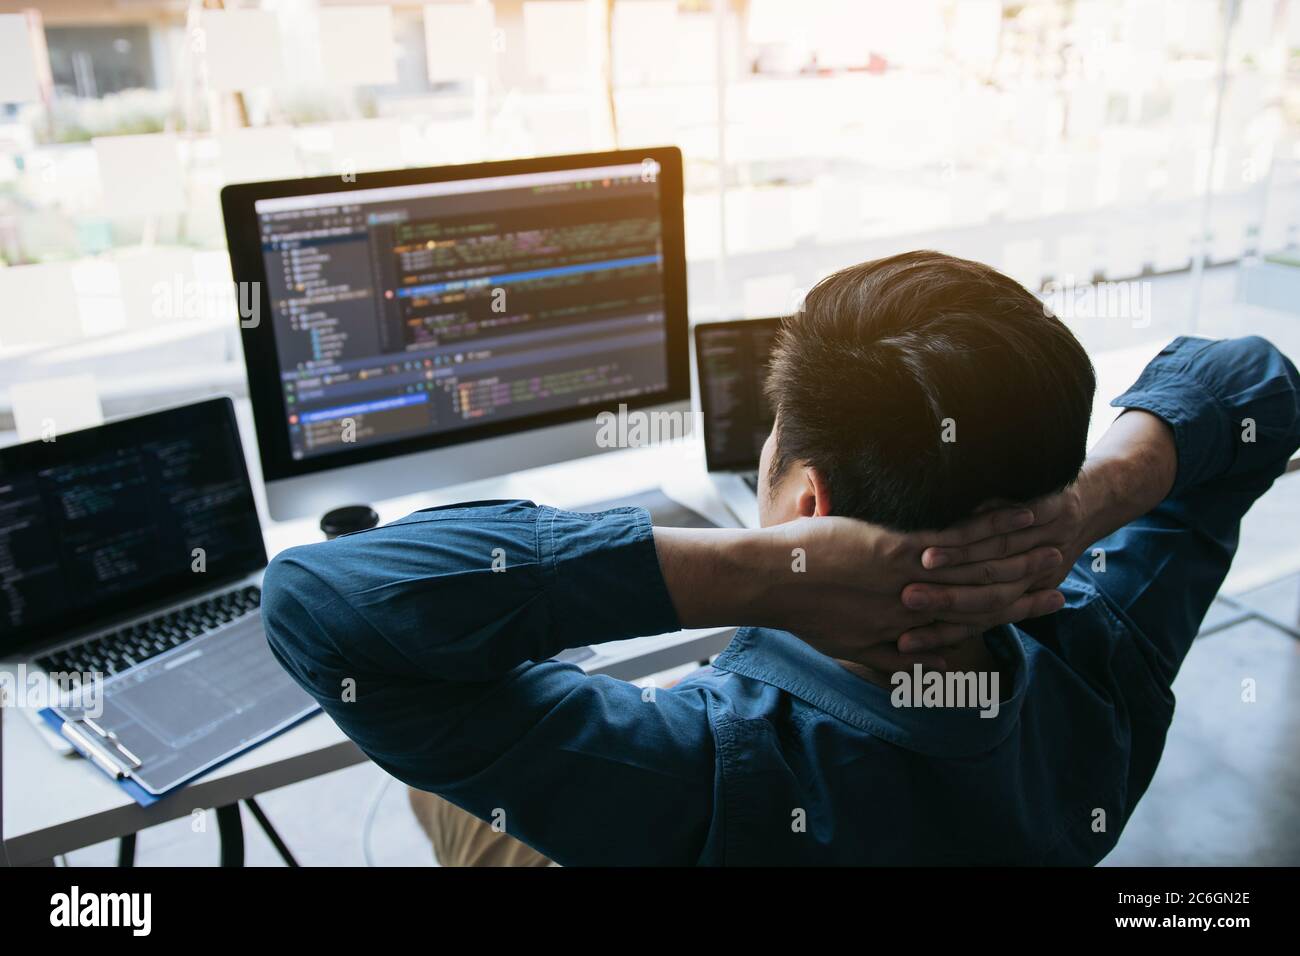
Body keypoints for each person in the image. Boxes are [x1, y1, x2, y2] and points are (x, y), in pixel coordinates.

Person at [263, 251, 1300, 865]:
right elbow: (1253, 381)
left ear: (807, 503)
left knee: (444, 778)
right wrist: (1082, 510)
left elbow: (318, 601)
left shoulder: (708, 774)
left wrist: (755, 572)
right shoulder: (1106, 649)